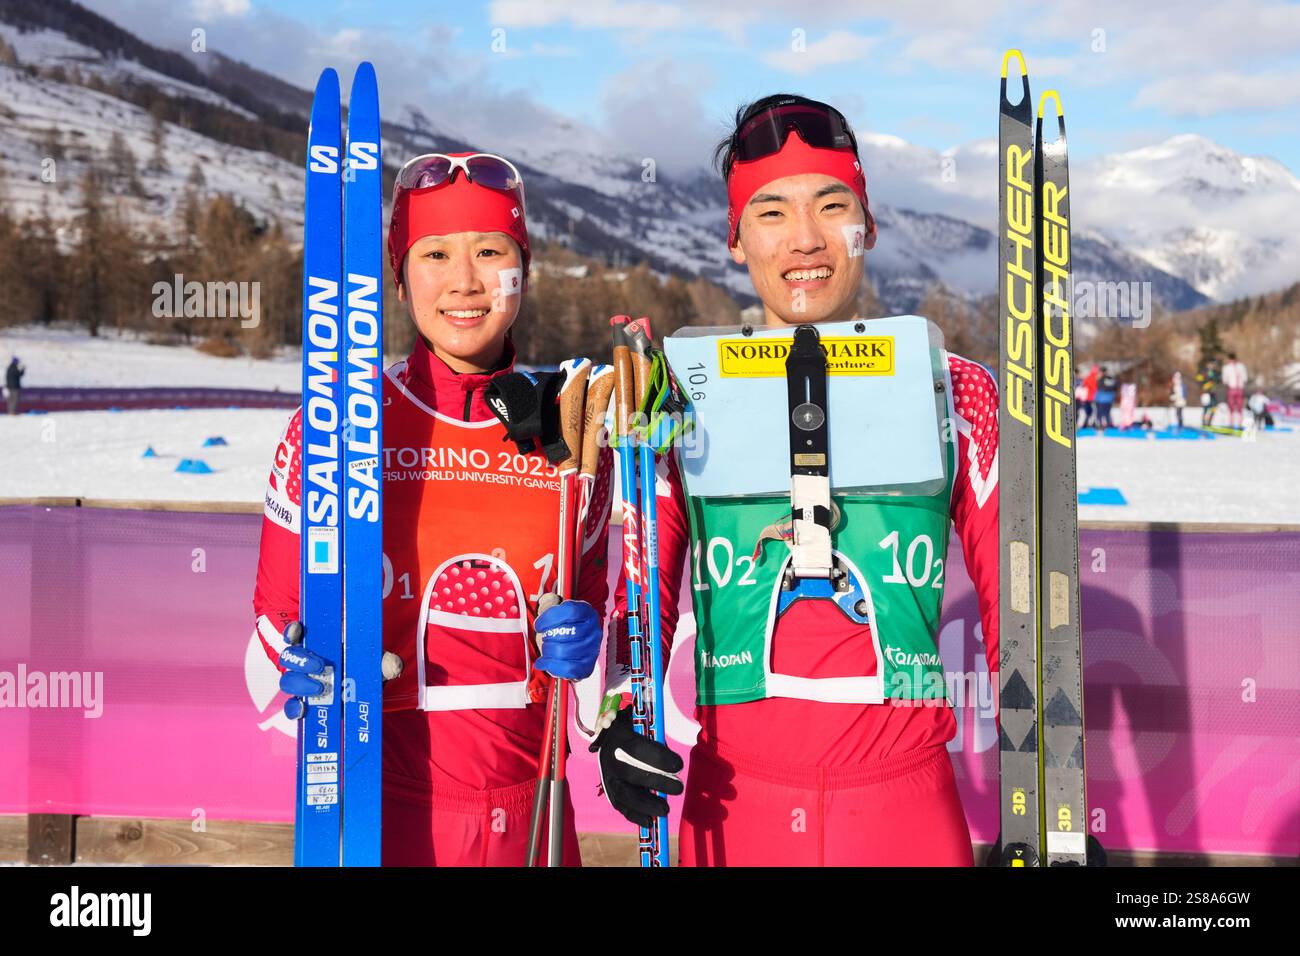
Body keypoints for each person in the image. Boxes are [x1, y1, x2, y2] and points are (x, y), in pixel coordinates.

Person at [595, 94, 1000, 866]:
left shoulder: (952, 389)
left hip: (905, 809)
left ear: (867, 226)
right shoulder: (677, 397)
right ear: (736, 240)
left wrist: (1052, 802)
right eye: (771, 212)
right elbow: (640, 597)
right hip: (734, 810)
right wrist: (618, 712)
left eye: (832, 203)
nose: (805, 239)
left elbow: (1022, 604)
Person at [252, 150, 614, 866]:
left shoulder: (573, 432)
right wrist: (291, 661)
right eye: (434, 254)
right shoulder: (336, 425)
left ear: (524, 269)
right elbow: (266, 633)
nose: (465, 281)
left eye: (490, 250)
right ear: (396, 273)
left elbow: (619, 668)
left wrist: (594, 656)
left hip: (531, 814)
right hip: (376, 815)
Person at [1222, 352, 1248, 429]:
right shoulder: (1241, 366)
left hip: (1233, 388)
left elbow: (1225, 380)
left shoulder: (1227, 367)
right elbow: (1245, 378)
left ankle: (1233, 424)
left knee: (1233, 407)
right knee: (1238, 407)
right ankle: (1237, 424)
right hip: (1239, 388)